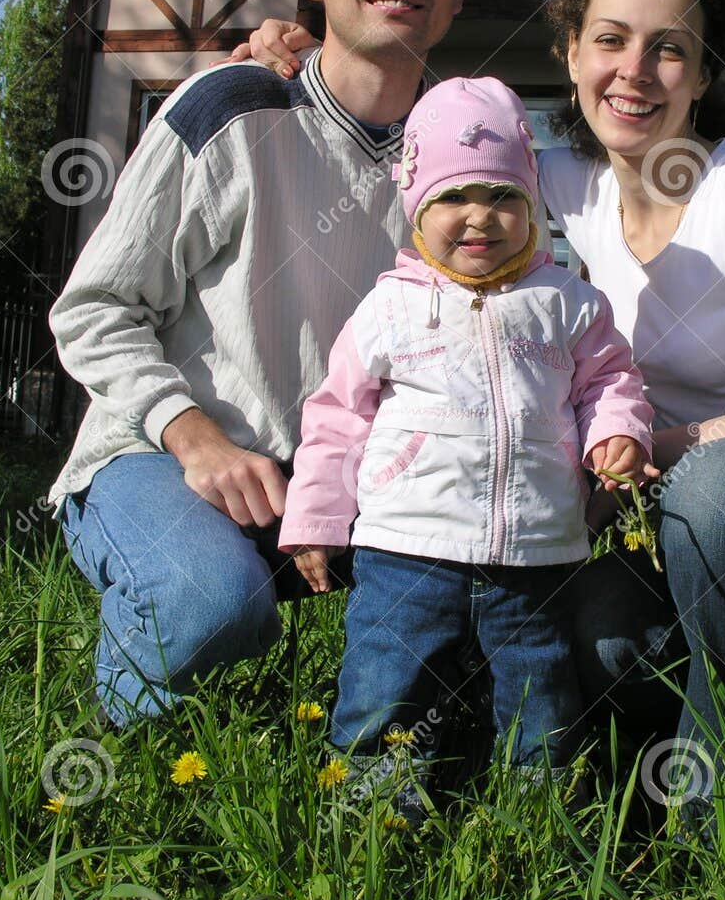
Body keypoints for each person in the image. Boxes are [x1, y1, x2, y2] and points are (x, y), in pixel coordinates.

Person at [244, 0, 725, 759]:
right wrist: (312, 62)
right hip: (699, 541)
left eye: (671, 49)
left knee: (720, 483)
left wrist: (654, 449)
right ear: (571, 53)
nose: (636, 70)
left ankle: (723, 807)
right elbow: (442, 154)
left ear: (705, 74)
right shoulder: (553, 189)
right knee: (595, 641)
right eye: (611, 40)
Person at [48, 0, 474, 729]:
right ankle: (127, 768)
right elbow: (95, 310)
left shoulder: (463, 158)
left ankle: (385, 782)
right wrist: (197, 439)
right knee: (214, 604)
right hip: (161, 455)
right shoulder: (233, 107)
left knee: (496, 609)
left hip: (349, 488)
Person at [277, 76, 652, 804]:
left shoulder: (568, 305)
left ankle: (538, 815)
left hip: (536, 555)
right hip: (405, 550)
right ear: (417, 207)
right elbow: (336, 420)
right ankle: (372, 810)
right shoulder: (389, 306)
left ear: (533, 204)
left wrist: (617, 433)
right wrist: (317, 523)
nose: (480, 216)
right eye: (452, 197)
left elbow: (611, 382)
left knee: (541, 686)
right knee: (387, 677)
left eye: (504, 196)